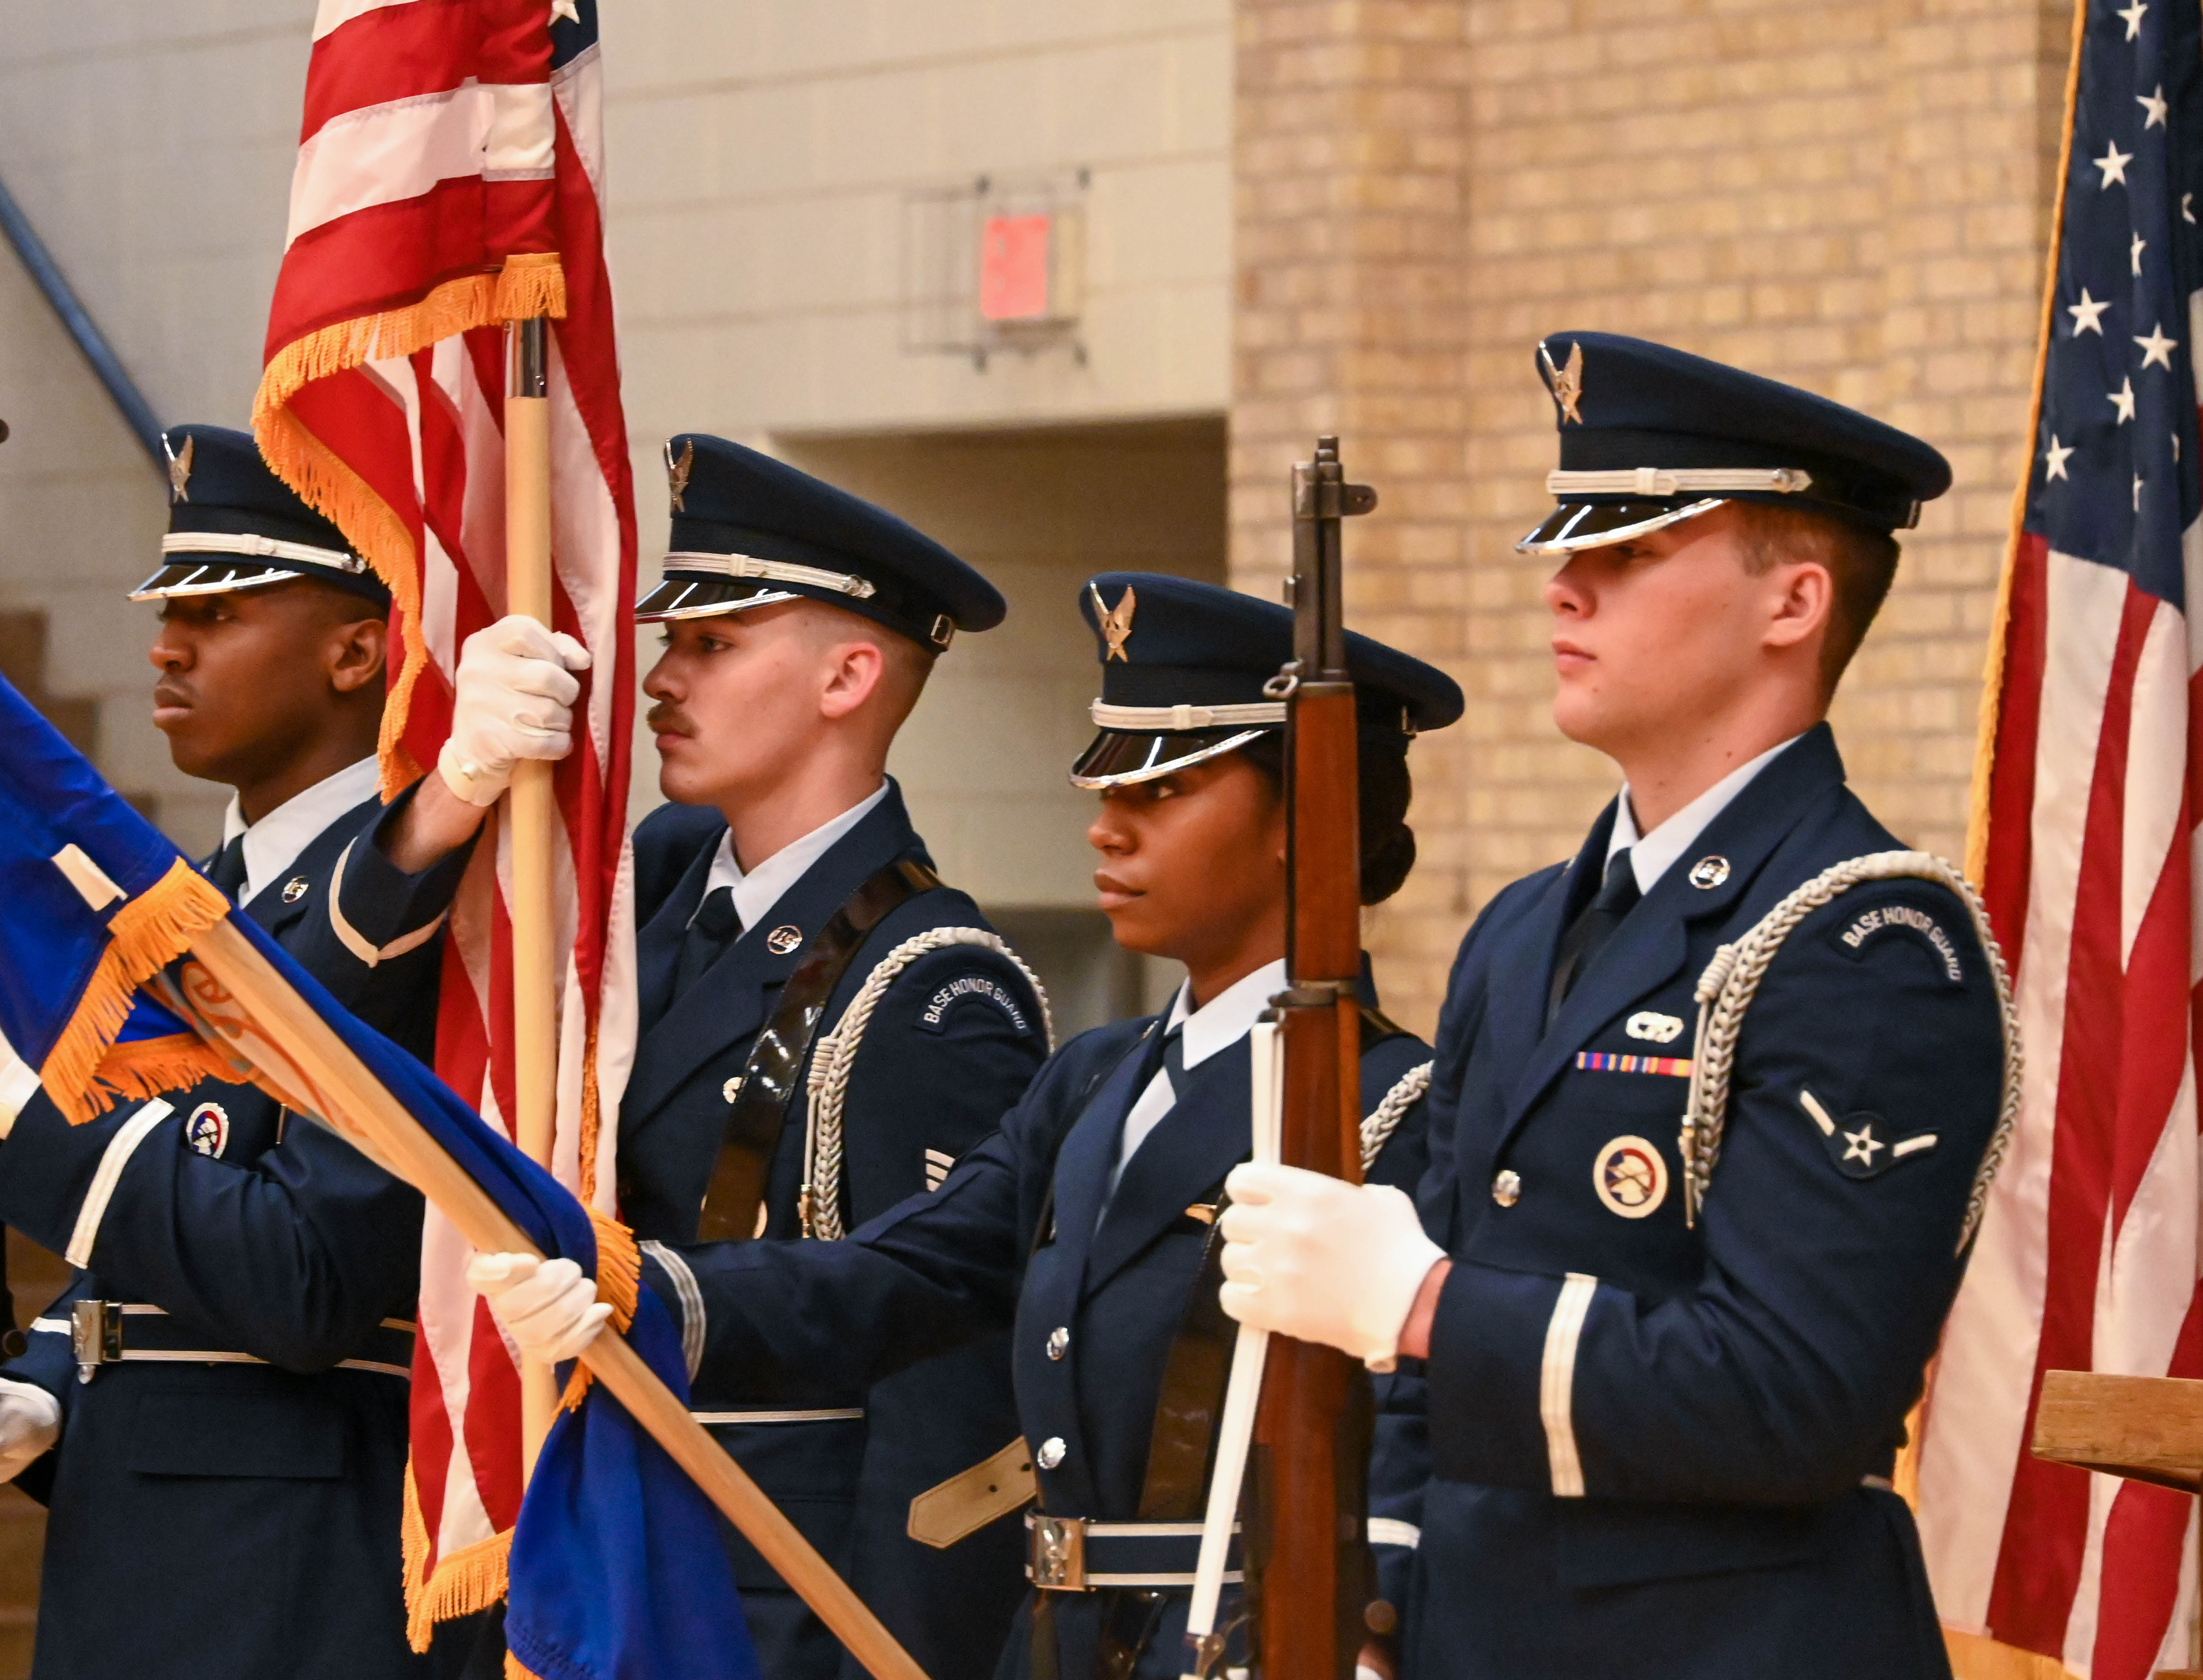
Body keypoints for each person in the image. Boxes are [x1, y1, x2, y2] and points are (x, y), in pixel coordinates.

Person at [473, 571, 1464, 1680]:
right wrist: (636, 1287)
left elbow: (1421, 1446)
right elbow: (906, 1272)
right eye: (1108, 787)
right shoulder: (1097, 1080)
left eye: (1164, 792)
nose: (1108, 826)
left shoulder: (1397, 1110)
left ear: (1307, 820)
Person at [1215, 333, 2014, 1679]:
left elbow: (1798, 1395)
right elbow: (1425, 1386)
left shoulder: (1867, 939)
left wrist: (1422, 1303)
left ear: (1794, 603)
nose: (1564, 584)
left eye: (1629, 552)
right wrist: (1381, 1607)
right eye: (1566, 545)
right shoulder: (1527, 928)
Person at [0, 424, 586, 1679]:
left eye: (222, 609)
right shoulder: (217, 902)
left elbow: (303, 1277)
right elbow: (186, 1211)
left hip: (289, 1574)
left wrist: (15, 1108)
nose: (167, 643)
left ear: (358, 650)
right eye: (169, 608)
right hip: (148, 1540)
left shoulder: (416, 921)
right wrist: (53, 1379)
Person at [617, 434, 1056, 1680]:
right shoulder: (647, 914)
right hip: (619, 1555)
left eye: (713, 645)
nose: (663, 678)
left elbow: (942, 1379)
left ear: (849, 675)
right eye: (671, 641)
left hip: (776, 1607)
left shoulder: (927, 987)